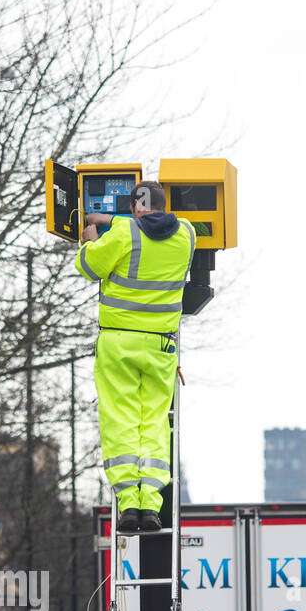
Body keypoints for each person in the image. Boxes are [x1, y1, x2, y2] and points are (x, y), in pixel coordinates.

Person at [75, 180, 195, 534]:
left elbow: (88, 266)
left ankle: (129, 502)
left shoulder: (123, 234)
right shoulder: (187, 234)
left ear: (135, 208)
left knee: (121, 419)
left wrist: (90, 236)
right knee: (155, 421)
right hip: (162, 348)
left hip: (119, 344)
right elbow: (149, 226)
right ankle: (152, 505)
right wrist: (114, 220)